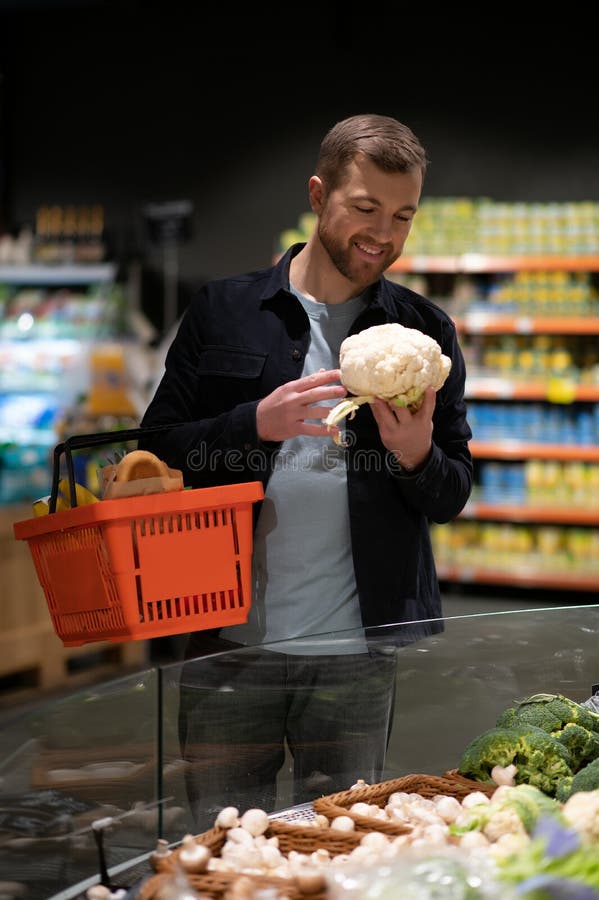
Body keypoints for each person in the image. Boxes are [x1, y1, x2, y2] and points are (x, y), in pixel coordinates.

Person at [139, 113, 473, 828]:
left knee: (341, 841)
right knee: (220, 842)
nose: (382, 234)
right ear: (318, 195)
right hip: (226, 644)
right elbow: (158, 452)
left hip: (356, 655)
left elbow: (451, 493)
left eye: (401, 216)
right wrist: (249, 426)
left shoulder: (425, 334)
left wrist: (415, 455)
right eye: (364, 208)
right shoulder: (225, 310)